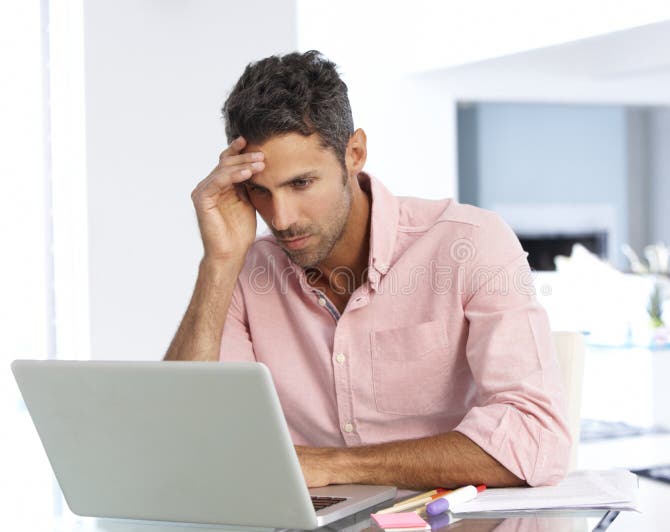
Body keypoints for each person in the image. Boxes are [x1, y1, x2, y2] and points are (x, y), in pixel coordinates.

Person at [165, 50, 570, 490]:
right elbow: (186, 437)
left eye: (301, 183)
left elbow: (536, 437)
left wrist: (335, 466)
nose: (280, 218)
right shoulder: (245, 271)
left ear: (354, 153)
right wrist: (218, 263)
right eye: (260, 192)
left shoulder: (469, 245)